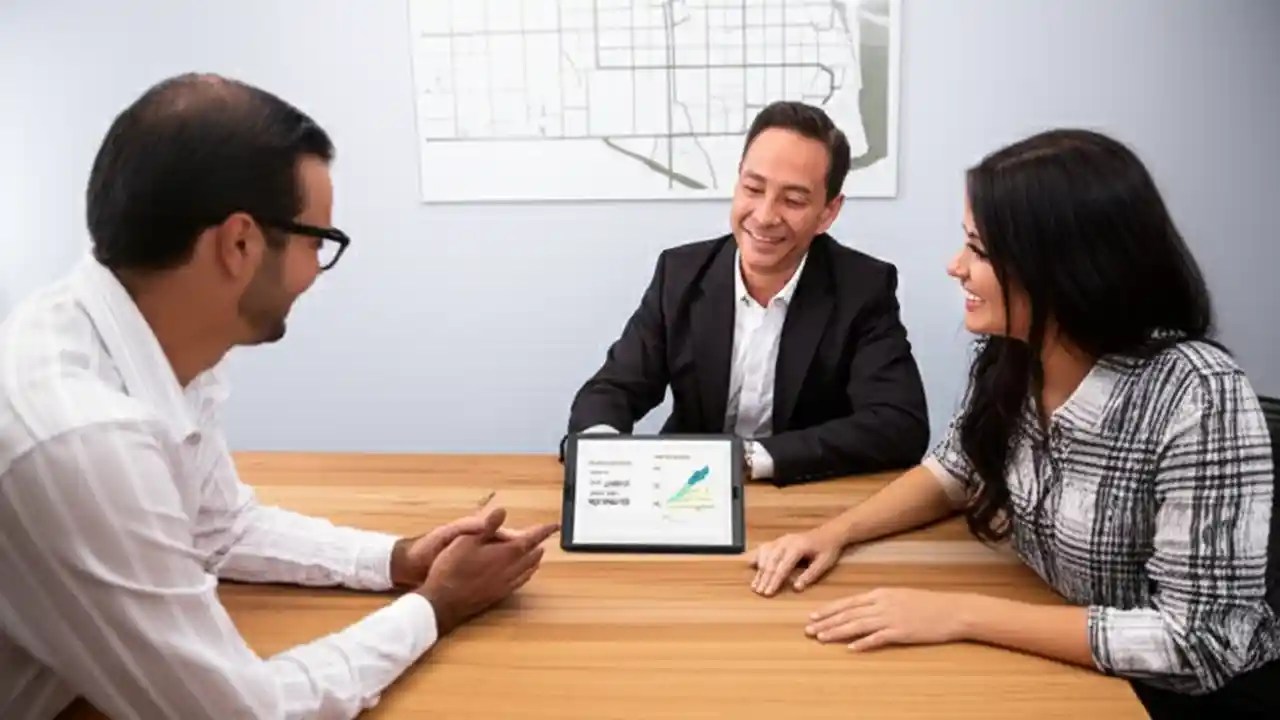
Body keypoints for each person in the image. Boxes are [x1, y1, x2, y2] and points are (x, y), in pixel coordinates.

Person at [0, 73, 558, 720]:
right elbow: (243, 713)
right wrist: (436, 606)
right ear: (239, 243)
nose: (317, 272)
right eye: (318, 242)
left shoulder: (155, 343)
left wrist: (396, 560)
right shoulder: (80, 439)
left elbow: (220, 527)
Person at [749, 129, 1279, 716]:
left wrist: (960, 614)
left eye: (978, 249)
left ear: (1062, 266)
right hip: (1055, 656)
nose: (955, 267)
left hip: (1163, 699)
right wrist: (833, 534)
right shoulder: (1013, 357)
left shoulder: (1197, 395)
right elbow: (956, 471)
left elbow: (1198, 644)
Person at [564, 101, 929, 485]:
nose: (765, 215)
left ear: (828, 212)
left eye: (793, 200)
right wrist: (600, 450)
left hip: (804, 495)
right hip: (687, 492)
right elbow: (614, 388)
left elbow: (899, 424)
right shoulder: (680, 274)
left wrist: (752, 460)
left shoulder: (863, 288)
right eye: (753, 188)